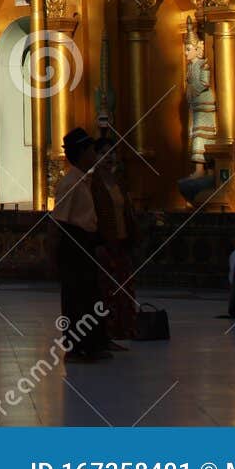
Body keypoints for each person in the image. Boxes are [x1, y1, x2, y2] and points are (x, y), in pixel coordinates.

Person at [52, 128, 109, 363]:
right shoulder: (70, 184)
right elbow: (60, 220)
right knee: (75, 298)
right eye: (92, 150)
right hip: (73, 242)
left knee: (90, 295)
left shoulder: (84, 180)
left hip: (84, 242)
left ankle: (92, 344)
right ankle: (75, 348)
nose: (95, 155)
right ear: (83, 153)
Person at [90, 135, 136, 347]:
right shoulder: (93, 184)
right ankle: (107, 331)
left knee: (124, 286)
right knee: (106, 289)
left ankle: (124, 328)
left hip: (122, 240)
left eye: (111, 153)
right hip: (104, 242)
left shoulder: (118, 182)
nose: (108, 157)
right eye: (103, 153)